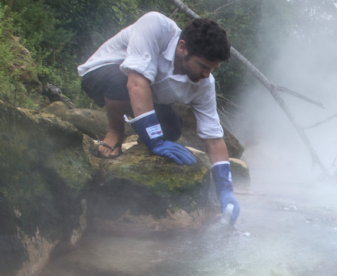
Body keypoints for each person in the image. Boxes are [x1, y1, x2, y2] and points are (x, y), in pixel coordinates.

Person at [77, 12, 239, 225]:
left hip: (147, 91)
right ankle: (115, 131)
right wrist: (154, 139)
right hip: (103, 73)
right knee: (122, 82)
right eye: (203, 66)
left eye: (212, 69)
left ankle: (142, 142)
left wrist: (226, 191)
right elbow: (135, 83)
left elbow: (214, 138)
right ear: (183, 48)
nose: (207, 74)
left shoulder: (205, 84)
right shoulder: (156, 26)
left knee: (171, 131)